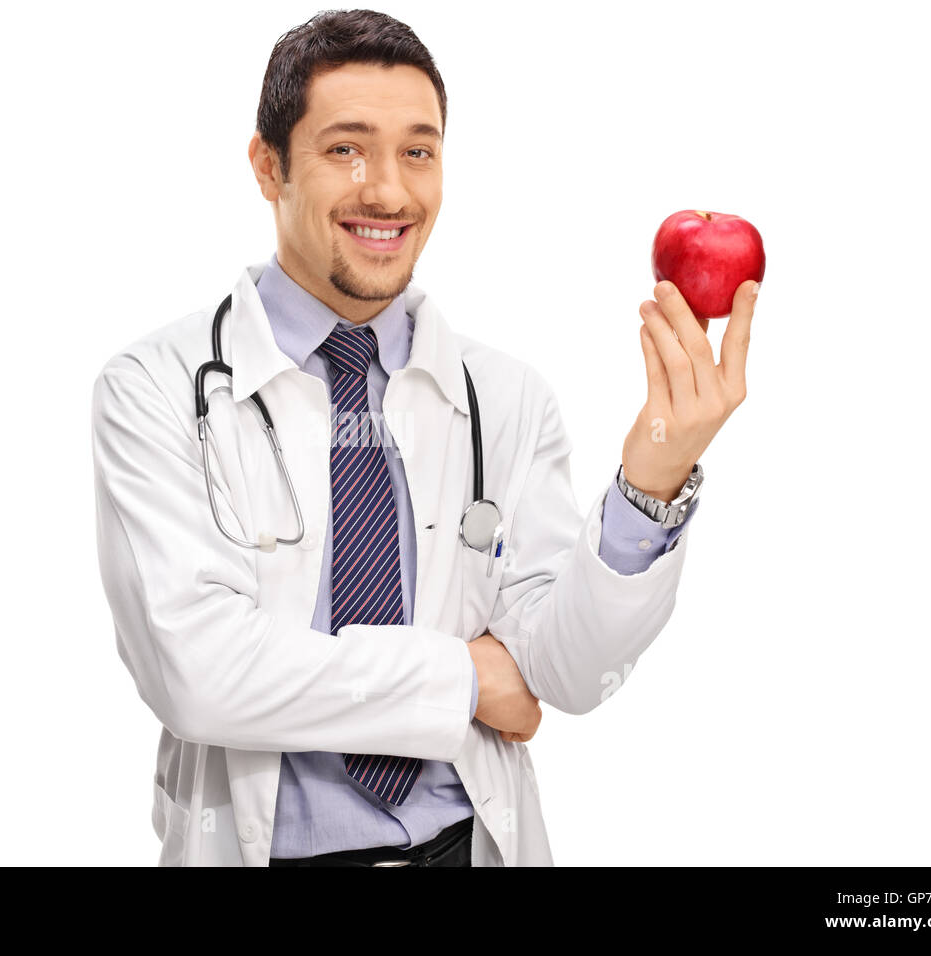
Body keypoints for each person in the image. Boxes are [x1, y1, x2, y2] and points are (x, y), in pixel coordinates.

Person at [90, 9, 757, 867]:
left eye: (418, 150)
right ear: (267, 165)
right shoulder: (152, 389)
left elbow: (565, 673)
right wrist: (469, 679)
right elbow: (201, 675)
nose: (388, 191)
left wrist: (652, 482)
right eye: (345, 148)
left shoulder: (505, 398)